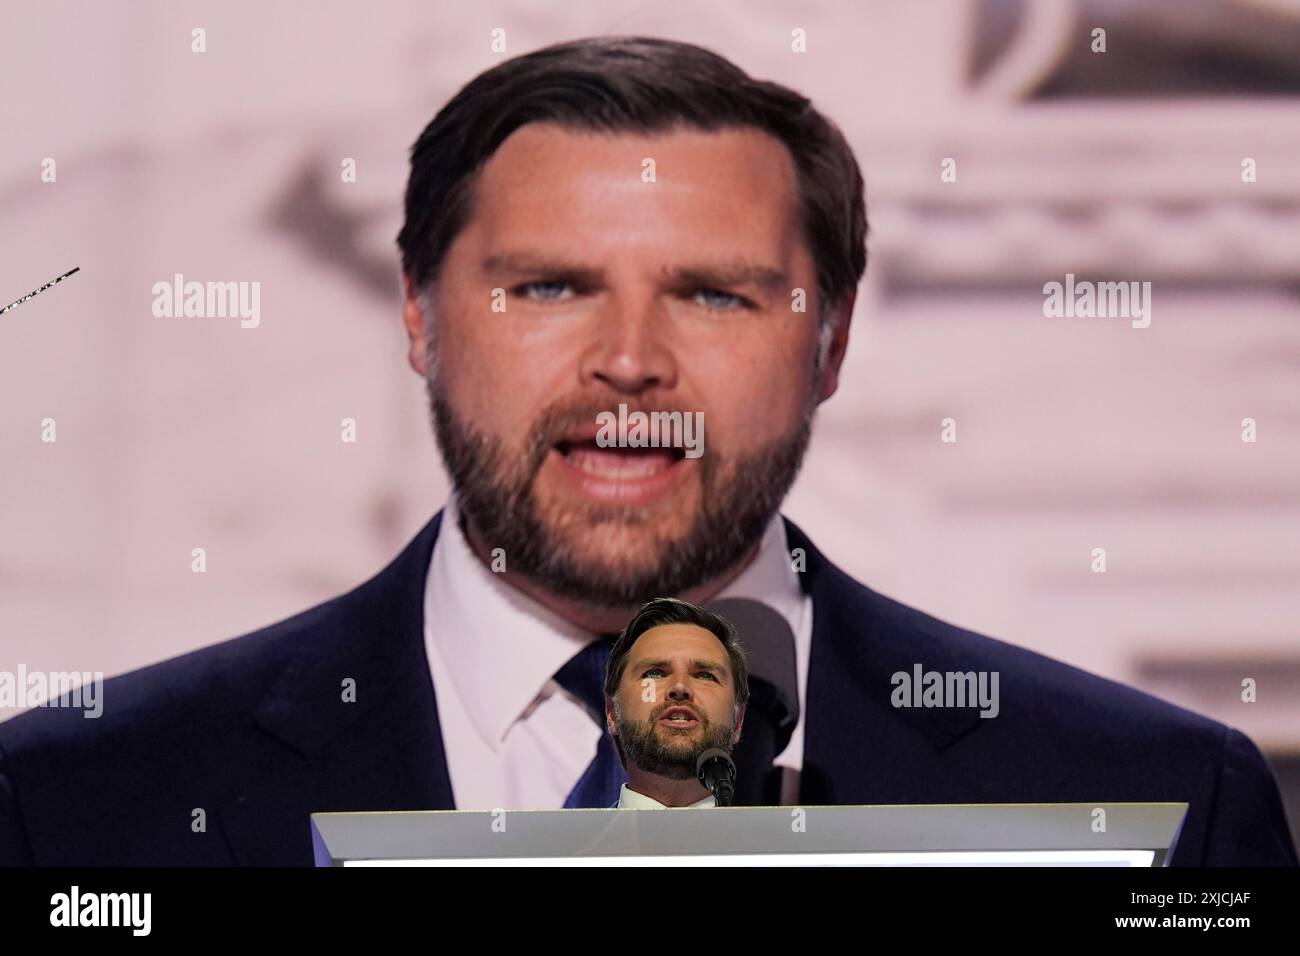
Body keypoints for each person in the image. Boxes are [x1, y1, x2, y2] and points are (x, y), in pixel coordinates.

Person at [0, 36, 1294, 866]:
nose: (630, 360)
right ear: (417, 316)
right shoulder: (72, 805)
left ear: (830, 340)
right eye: (550, 287)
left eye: (717, 294)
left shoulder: (1159, 808)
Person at [603, 599, 747, 809]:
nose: (680, 687)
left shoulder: (783, 843)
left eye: (705, 675)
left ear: (738, 720)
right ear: (612, 713)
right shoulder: (562, 842)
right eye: (654, 673)